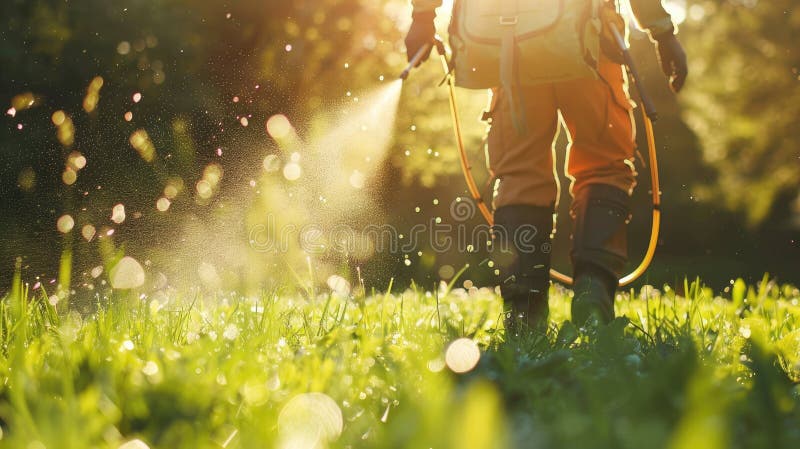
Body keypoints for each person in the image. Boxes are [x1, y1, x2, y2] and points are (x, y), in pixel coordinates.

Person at [404, 0, 687, 328]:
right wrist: (662, 32)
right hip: (590, 40)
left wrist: (423, 16)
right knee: (603, 165)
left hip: (512, 51)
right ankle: (593, 294)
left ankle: (523, 311)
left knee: (520, 175)